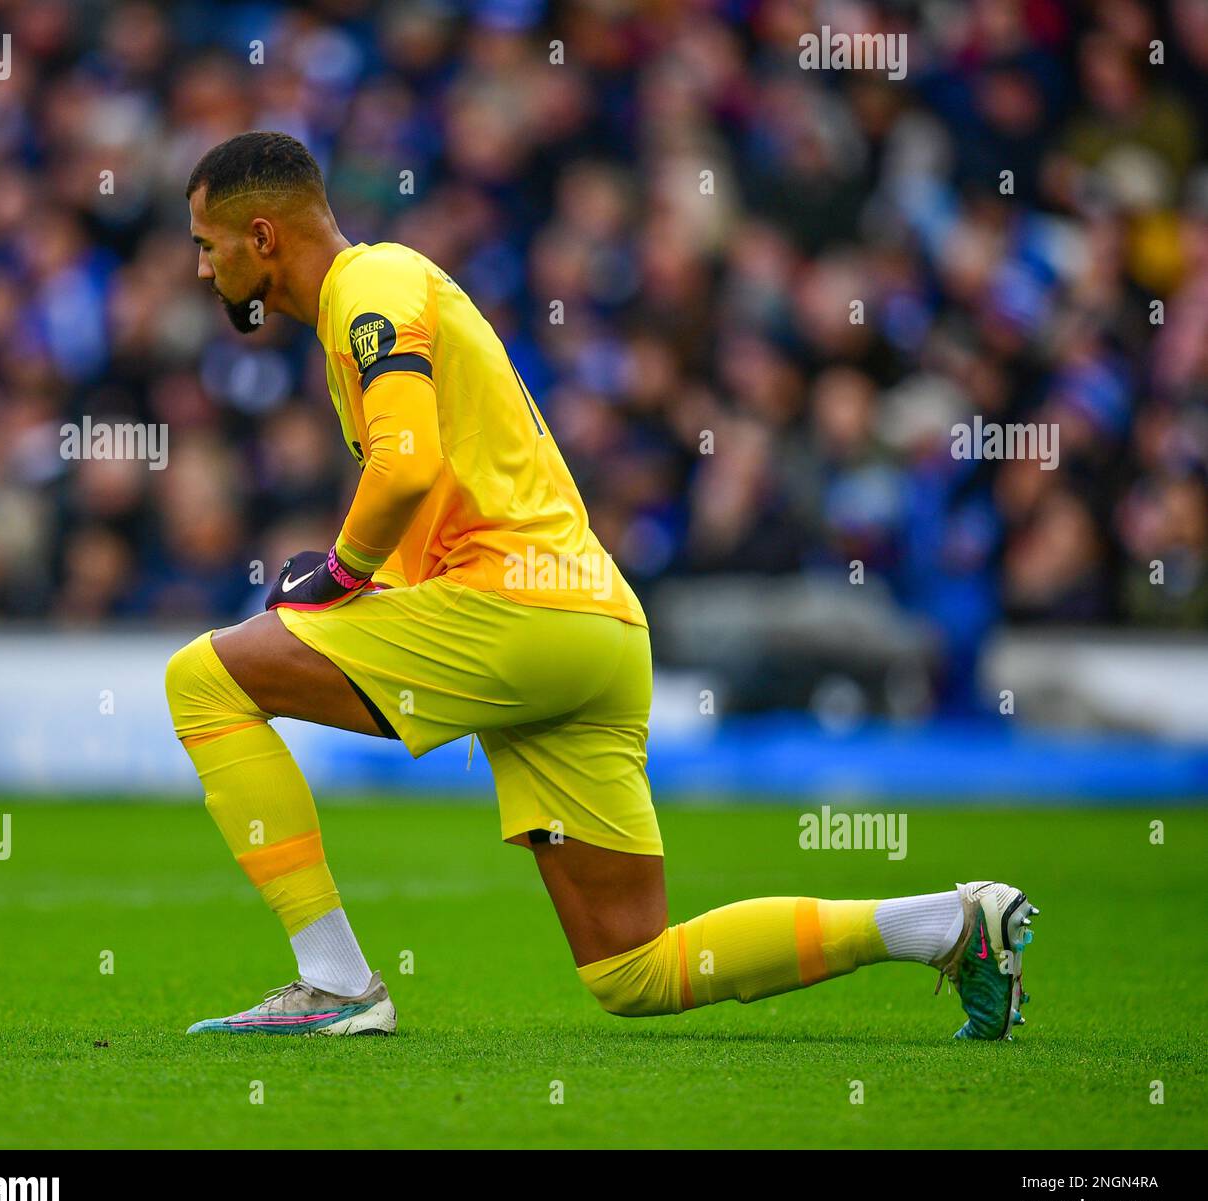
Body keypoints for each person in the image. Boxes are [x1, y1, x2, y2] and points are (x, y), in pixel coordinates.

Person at [165, 132, 1036, 1040]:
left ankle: (336, 983)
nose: (199, 268)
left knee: (204, 680)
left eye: (204, 244)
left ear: (261, 236)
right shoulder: (384, 295)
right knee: (634, 968)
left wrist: (338, 576)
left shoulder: (367, 286)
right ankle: (948, 923)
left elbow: (408, 465)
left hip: (514, 608)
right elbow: (439, 473)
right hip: (596, 626)